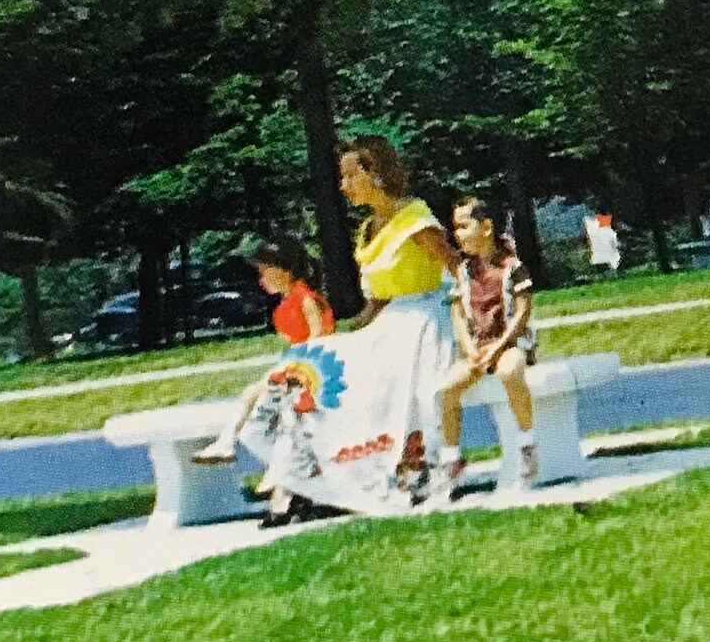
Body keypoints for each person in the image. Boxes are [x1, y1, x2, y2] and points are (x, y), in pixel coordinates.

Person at [226, 135, 461, 516]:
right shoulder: (368, 228)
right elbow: (378, 299)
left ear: (377, 174)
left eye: (351, 175)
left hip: (424, 321)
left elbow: (457, 269)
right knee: (323, 374)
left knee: (388, 388)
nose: (343, 185)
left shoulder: (415, 219)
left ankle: (411, 469)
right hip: (387, 323)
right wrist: (353, 334)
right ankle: (316, 476)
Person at [192, 236, 337, 522]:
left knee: (283, 416)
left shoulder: (306, 300)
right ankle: (230, 443)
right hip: (294, 369)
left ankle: (282, 477)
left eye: (264, 270)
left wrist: (293, 372)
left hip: (313, 374)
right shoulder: (286, 304)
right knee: (252, 399)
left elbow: (320, 345)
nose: (260, 278)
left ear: (282, 268)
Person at [438, 197, 540, 488]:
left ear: (485, 227)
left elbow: (521, 314)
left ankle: (527, 442)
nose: (457, 233)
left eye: (463, 226)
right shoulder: (462, 271)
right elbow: (457, 314)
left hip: (511, 345)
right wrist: (470, 350)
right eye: (455, 227)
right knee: (446, 390)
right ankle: (451, 457)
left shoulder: (512, 267)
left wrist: (498, 347)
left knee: (510, 372)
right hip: (479, 349)